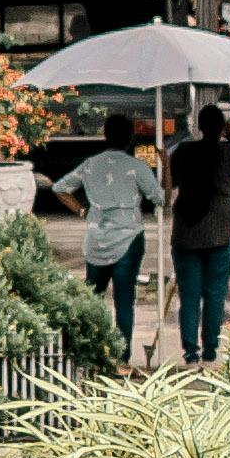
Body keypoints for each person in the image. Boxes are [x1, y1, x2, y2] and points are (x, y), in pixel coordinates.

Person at [161, 97, 230, 366]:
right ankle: (210, 348)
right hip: (220, 227)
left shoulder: (183, 151)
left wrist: (164, 161)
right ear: (222, 127)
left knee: (189, 294)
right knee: (215, 293)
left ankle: (190, 351)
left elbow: (167, 186)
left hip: (186, 229)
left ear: (199, 125)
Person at [61, 129, 152, 358]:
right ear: (129, 139)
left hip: (97, 240)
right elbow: (160, 198)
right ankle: (122, 356)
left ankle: (91, 351)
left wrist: (81, 210)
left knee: (93, 296)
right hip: (129, 239)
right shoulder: (137, 166)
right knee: (124, 301)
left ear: (105, 137)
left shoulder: (91, 164)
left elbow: (60, 188)